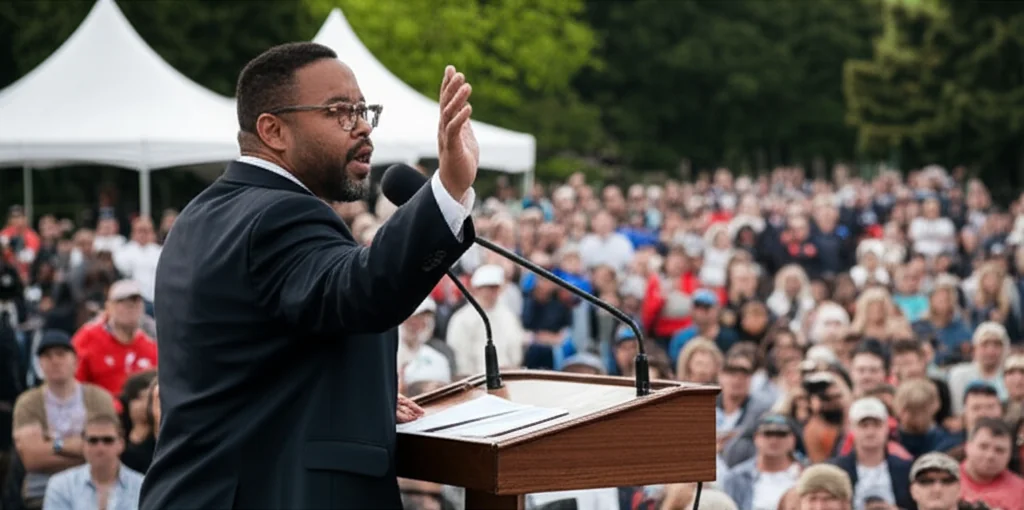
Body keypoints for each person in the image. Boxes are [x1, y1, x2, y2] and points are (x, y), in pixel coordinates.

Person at [140, 42, 480, 510]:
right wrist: (448, 188)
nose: (362, 125)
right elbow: (361, 290)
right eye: (340, 112)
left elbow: (269, 357)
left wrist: (361, 401)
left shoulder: (205, 213)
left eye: (364, 110)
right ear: (274, 130)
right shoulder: (278, 215)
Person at [42, 414, 144, 510]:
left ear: (121, 444)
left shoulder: (141, 485)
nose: (100, 447)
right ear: (83, 445)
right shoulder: (61, 485)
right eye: (93, 440)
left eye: (108, 440)